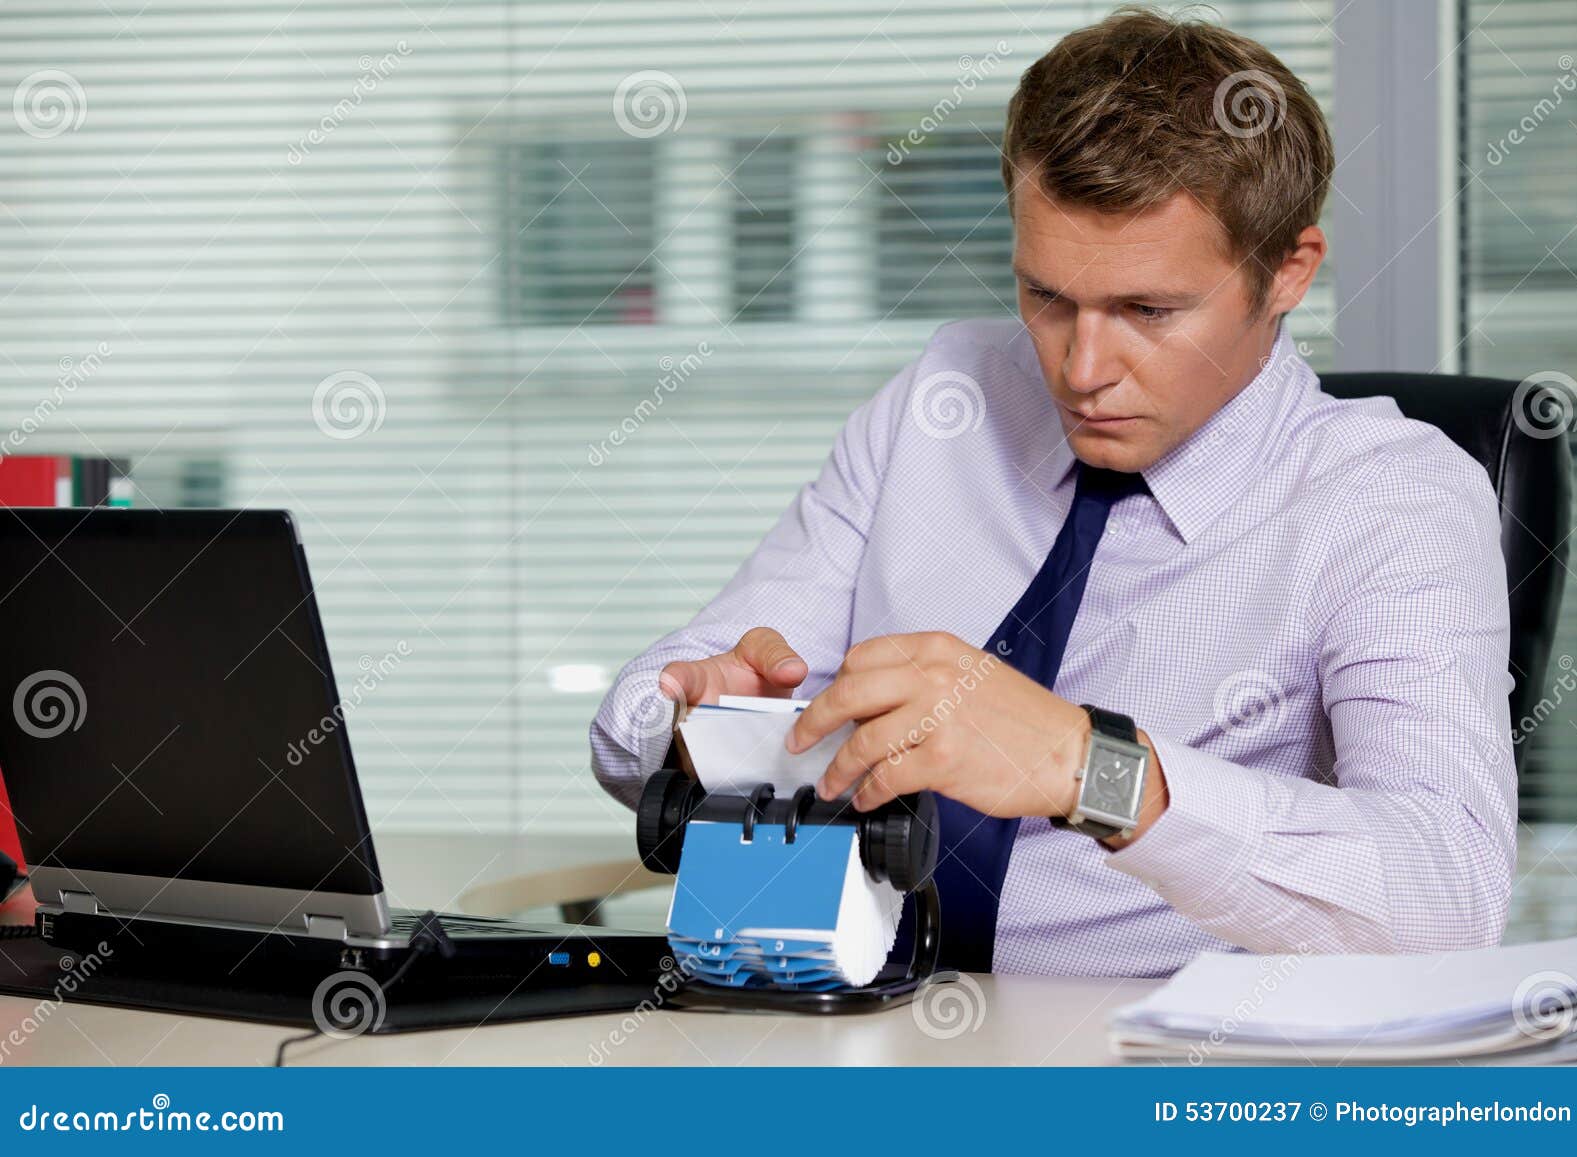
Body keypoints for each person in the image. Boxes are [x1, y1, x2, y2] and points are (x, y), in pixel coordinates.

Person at [589, 7, 1515, 977]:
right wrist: (700, 725)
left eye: (1147, 310)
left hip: (1140, 1068)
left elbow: (1444, 898)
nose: (1081, 368)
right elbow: (641, 721)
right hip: (844, 1017)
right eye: (1047, 297)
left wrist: (1093, 768)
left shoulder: (1388, 498)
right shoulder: (948, 397)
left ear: (1286, 271)